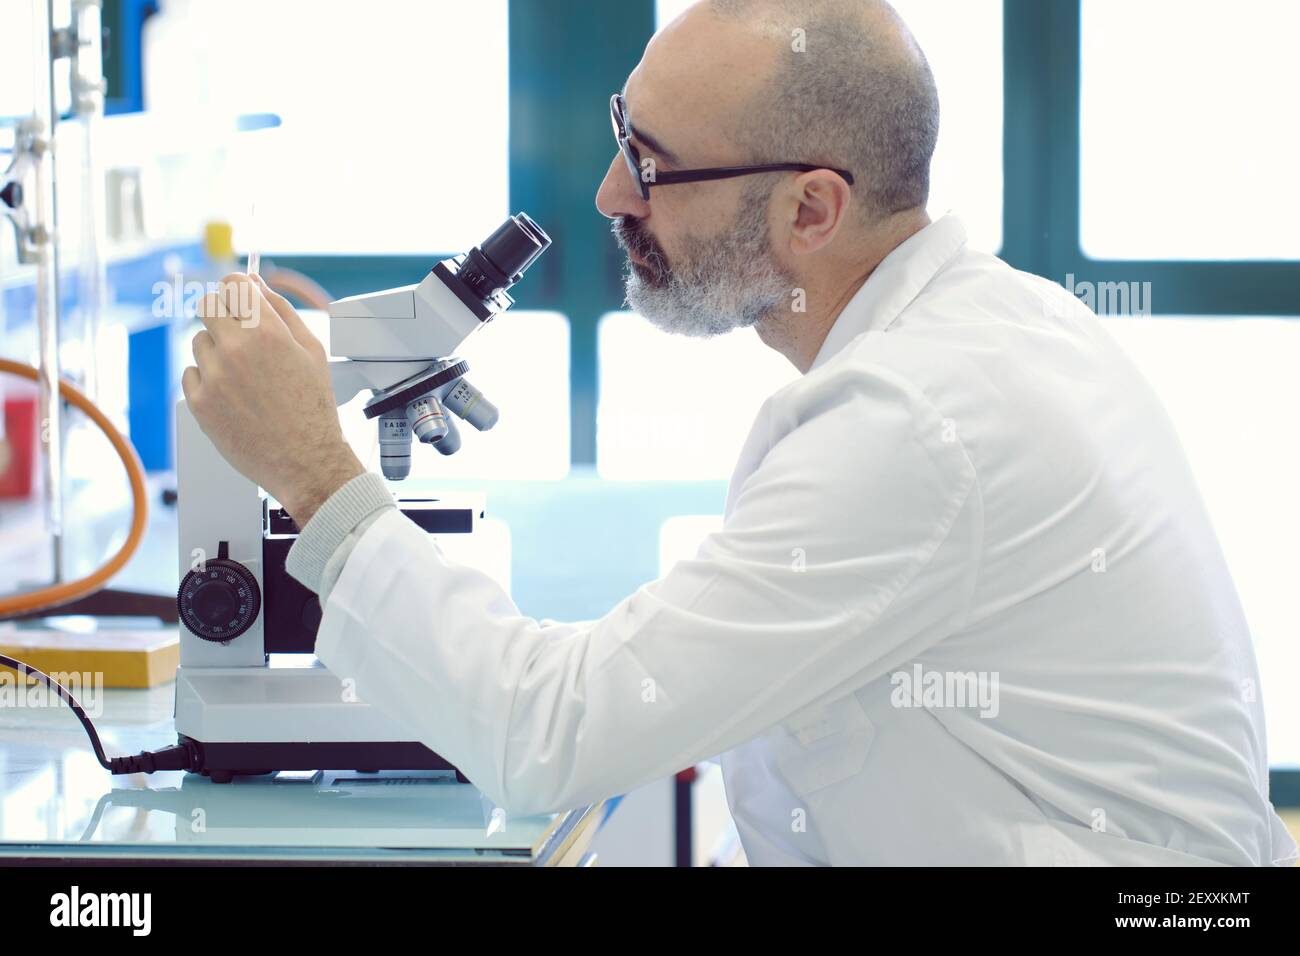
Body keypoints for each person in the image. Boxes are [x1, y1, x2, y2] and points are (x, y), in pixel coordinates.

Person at [181, 0, 1296, 865]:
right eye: (623, 135)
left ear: (811, 209)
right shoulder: (981, 327)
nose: (612, 193)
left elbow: (546, 734)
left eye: (653, 164)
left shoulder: (917, 421)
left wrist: (313, 472)